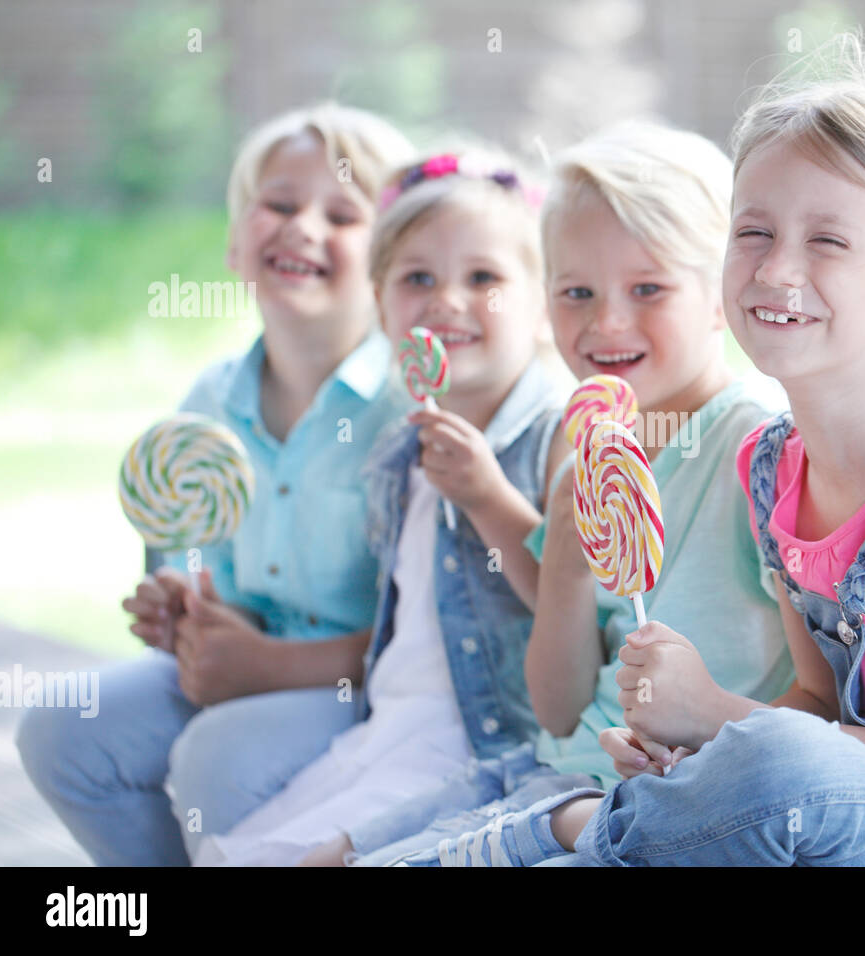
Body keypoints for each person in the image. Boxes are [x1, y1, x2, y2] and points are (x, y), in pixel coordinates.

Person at [421, 34, 865, 867]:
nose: (777, 271)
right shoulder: (771, 465)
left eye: (829, 242)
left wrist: (719, 722)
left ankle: (567, 833)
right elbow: (815, 698)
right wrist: (692, 745)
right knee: (753, 762)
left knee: (766, 761)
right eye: (754, 233)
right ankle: (600, 825)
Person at [299, 120, 795, 867]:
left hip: (674, 801)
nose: (606, 322)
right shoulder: (584, 457)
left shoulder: (757, 453)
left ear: (722, 295)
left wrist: (706, 737)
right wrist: (563, 554)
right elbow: (559, 708)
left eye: (648, 288)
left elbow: (823, 698)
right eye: (576, 291)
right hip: (555, 776)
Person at [16, 103, 415, 865]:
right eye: (279, 204)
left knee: (219, 757)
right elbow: (187, 557)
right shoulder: (210, 402)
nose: (302, 227)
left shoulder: (405, 412)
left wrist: (266, 667)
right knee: (60, 729)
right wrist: (182, 611)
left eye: (341, 213)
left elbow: (427, 639)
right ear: (237, 241)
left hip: (359, 690)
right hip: (235, 665)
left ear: (392, 261)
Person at [190, 147, 570, 866]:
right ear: (379, 300)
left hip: (485, 742)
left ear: (542, 307)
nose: (446, 301)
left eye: (483, 278)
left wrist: (487, 496)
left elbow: (571, 605)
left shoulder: (551, 436)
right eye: (417, 278)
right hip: (388, 724)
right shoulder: (402, 449)